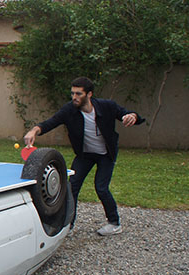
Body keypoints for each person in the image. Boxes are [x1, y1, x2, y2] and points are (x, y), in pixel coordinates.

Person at [23, 76, 144, 236]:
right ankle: (68, 224)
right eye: (73, 93)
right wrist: (34, 131)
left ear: (89, 94)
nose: (74, 97)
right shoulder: (69, 110)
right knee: (71, 187)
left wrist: (132, 117)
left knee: (101, 188)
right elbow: (50, 122)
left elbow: (126, 114)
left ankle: (114, 223)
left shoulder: (107, 106)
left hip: (106, 154)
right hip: (85, 155)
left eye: (78, 94)